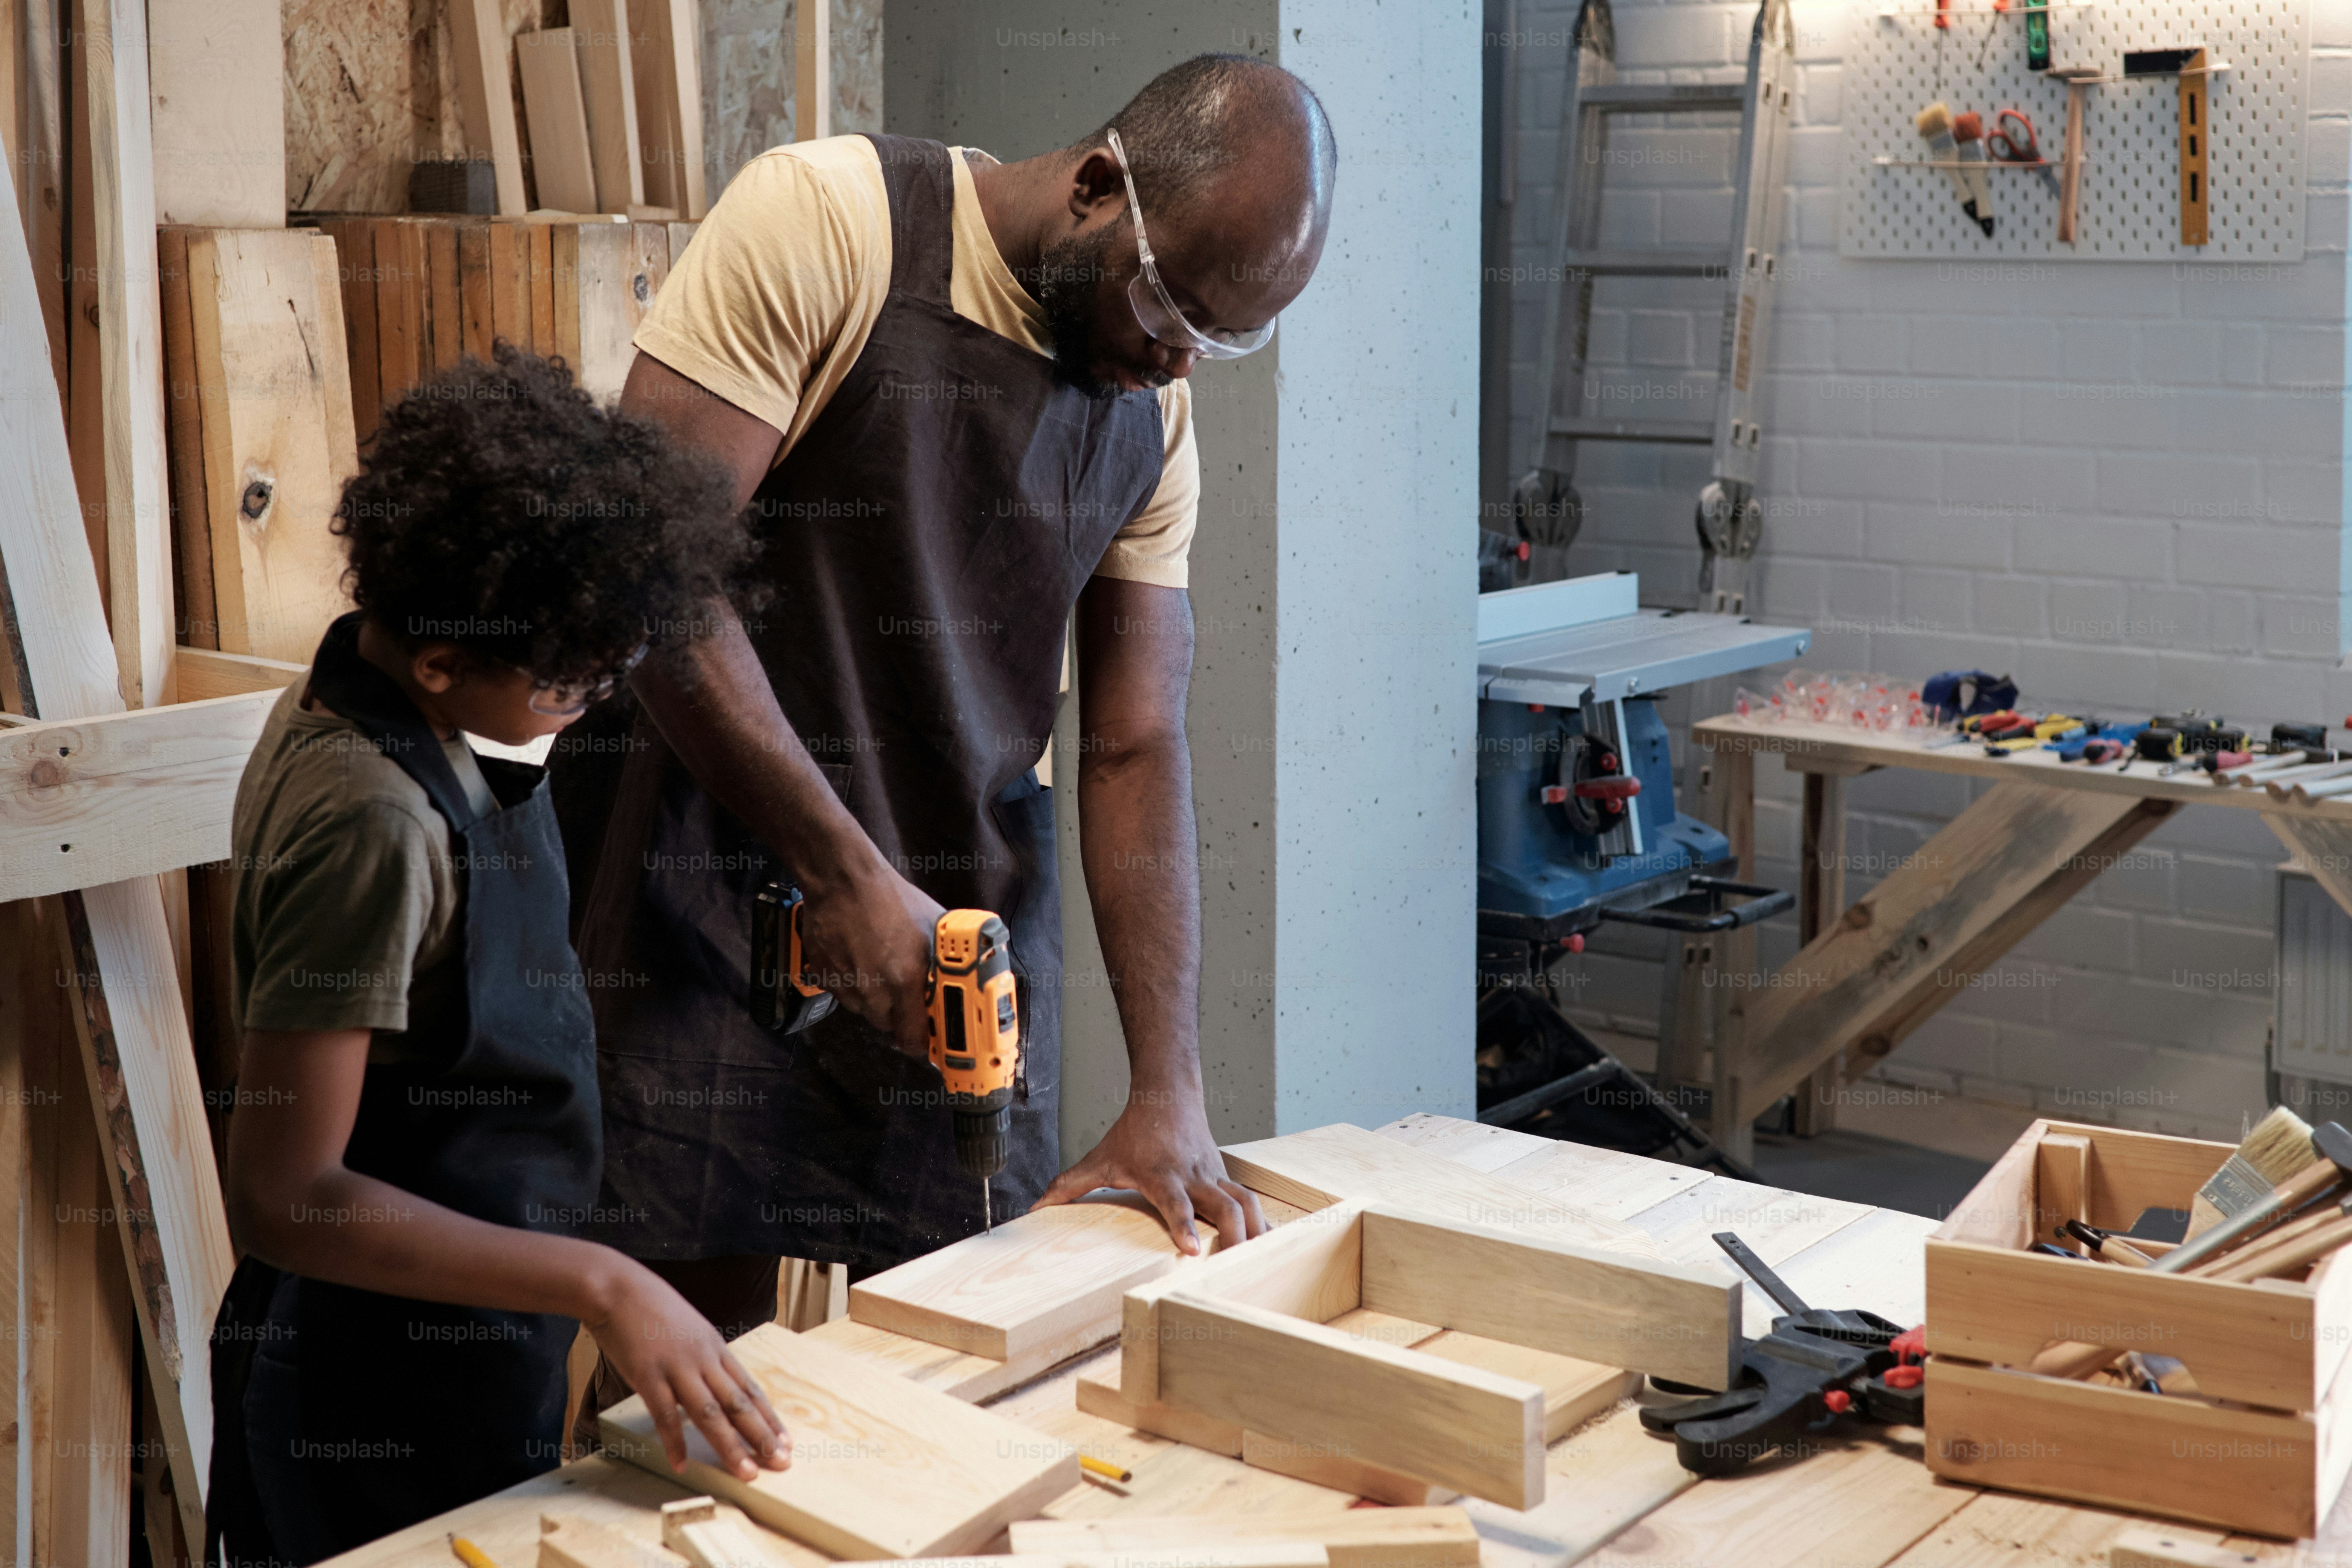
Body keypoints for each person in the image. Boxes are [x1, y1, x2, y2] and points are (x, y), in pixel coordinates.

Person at [551, 52, 1339, 1354]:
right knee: (692, 1364)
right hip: (712, 883)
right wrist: (840, 875)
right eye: (1163, 305)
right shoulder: (828, 225)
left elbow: (1135, 740)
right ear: (1097, 185)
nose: (1171, 357)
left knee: (955, 1347)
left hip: (961, 912)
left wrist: (1171, 1088)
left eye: (1218, 338)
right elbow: (655, 572)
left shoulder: (1156, 418)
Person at [207, 346, 788, 1568]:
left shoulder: (383, 686)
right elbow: (282, 1193)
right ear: (440, 664)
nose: (594, 702)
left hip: (470, 1355)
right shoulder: (375, 821)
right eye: (576, 683)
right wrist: (604, 1284)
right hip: (361, 1404)